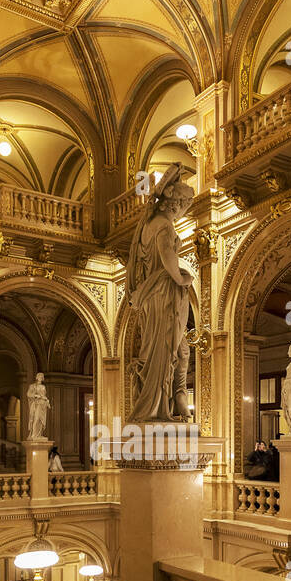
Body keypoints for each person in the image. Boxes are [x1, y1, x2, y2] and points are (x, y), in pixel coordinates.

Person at [126, 163, 195, 423]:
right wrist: (181, 278)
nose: (183, 209)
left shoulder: (149, 224)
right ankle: (157, 407)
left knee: (165, 347)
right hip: (164, 291)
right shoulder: (164, 225)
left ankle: (166, 401)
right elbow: (167, 256)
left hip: (152, 294)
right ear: (174, 203)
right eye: (183, 204)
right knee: (165, 348)